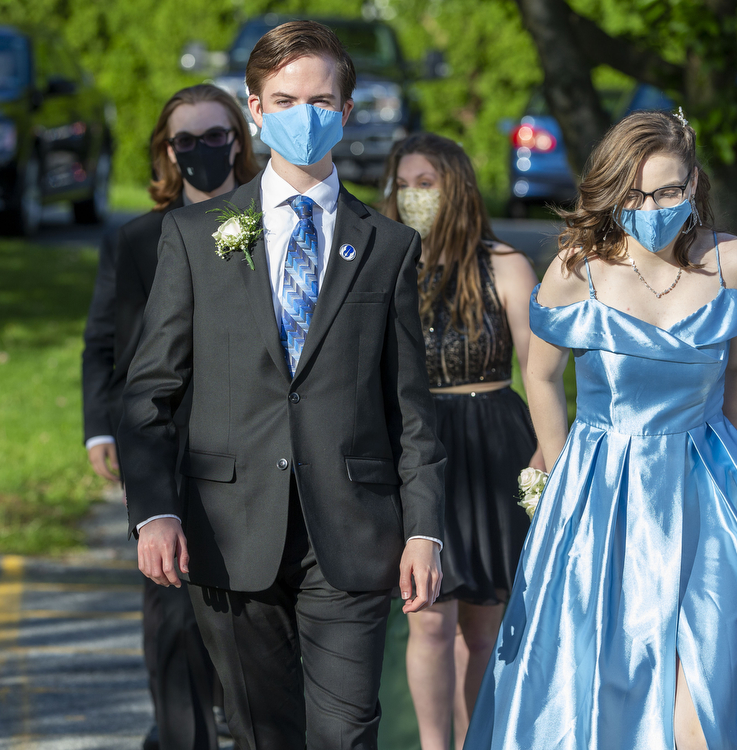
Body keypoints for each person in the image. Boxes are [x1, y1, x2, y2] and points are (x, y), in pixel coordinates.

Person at [463, 110, 737, 749]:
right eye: (634, 194)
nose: (651, 208)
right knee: (605, 673)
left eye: (667, 191)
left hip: (705, 487)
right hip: (603, 492)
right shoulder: (578, 269)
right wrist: (561, 468)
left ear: (694, 185)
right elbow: (540, 375)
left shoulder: (734, 262)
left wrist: (719, 455)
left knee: (707, 690)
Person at [116, 20, 446, 750]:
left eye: (321, 101)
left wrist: (423, 528)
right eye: (286, 100)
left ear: (347, 112)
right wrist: (155, 511)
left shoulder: (388, 246)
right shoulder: (194, 236)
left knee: (346, 733)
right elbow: (150, 391)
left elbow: (410, 409)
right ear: (256, 110)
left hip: (353, 531)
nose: (305, 116)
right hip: (229, 529)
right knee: (264, 734)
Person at [81, 83, 259, 750]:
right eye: (186, 140)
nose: (201, 150)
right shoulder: (137, 240)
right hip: (166, 443)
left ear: (237, 142)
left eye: (214, 136)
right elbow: (108, 344)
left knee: (252, 611)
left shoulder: (272, 226)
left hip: (256, 444)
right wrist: (102, 428)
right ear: (167, 151)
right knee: (173, 606)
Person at [381, 133, 543, 750]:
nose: (413, 196)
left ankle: (479, 740)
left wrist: (546, 450)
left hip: (494, 447)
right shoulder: (385, 264)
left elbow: (540, 371)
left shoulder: (505, 264)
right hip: (420, 452)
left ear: (457, 188)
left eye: (427, 184)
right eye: (404, 185)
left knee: (482, 626)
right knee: (428, 620)